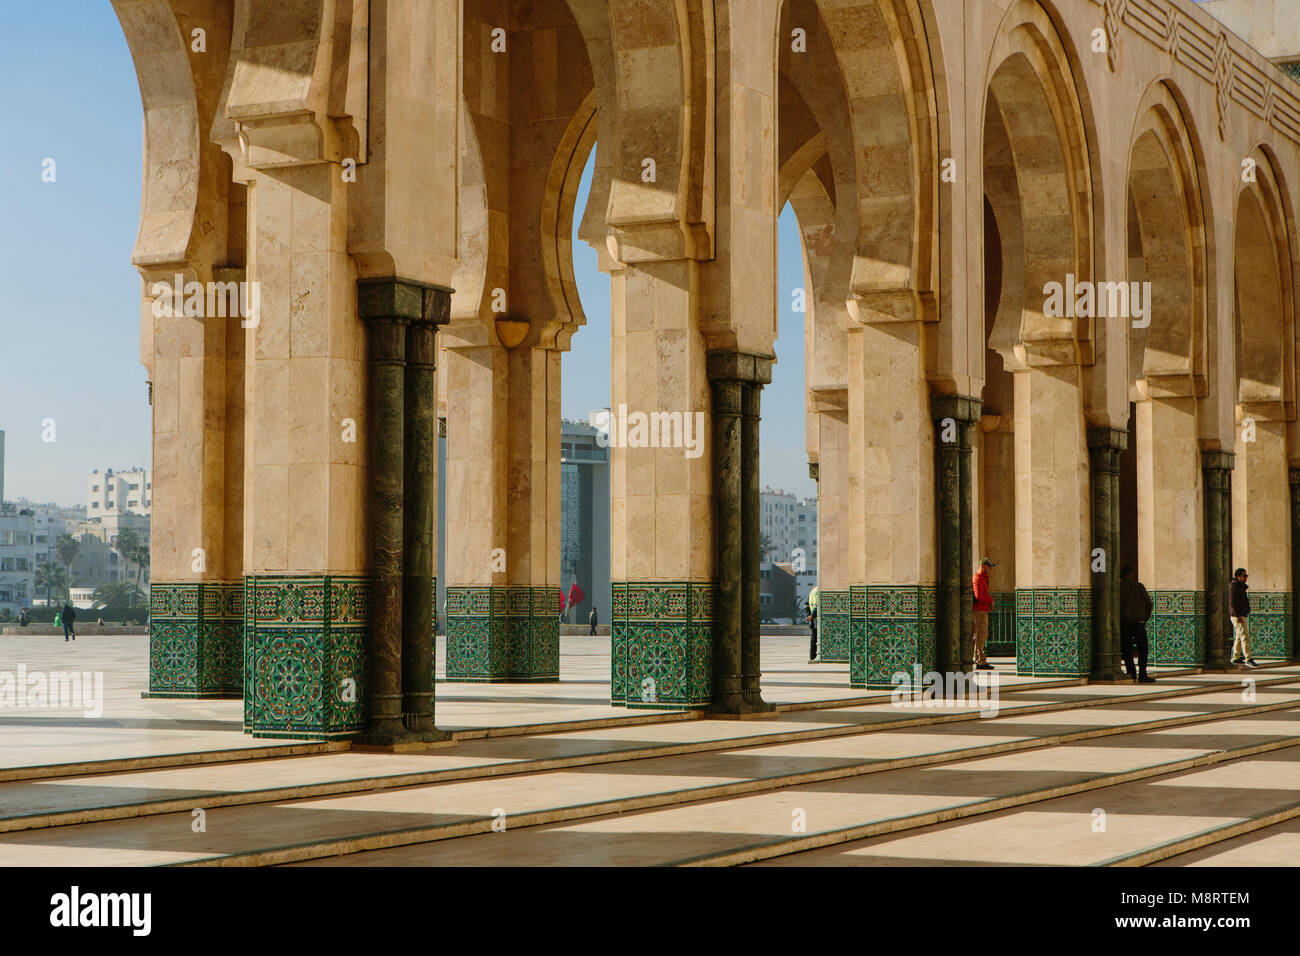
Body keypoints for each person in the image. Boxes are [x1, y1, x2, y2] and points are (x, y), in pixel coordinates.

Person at [1119, 565, 1155, 683]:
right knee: (1143, 648)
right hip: (1139, 623)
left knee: (1127, 648)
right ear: (1131, 575)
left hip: (1125, 623)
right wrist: (1144, 619)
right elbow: (1149, 605)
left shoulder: (1119, 588)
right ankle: (1143, 674)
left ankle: (1131, 673)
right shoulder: (1139, 587)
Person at [1229, 567, 1258, 668]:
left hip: (1242, 614)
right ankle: (1248, 658)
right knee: (1245, 636)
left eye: (1246, 576)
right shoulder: (1234, 586)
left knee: (1239, 636)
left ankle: (1235, 657)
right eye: (1244, 576)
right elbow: (1232, 602)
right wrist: (1236, 615)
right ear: (1238, 576)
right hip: (1238, 616)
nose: (1246, 578)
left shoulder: (1240, 586)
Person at [972, 558, 995, 670]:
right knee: (979, 634)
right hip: (979, 611)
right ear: (983, 566)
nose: (990, 569)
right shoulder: (978, 578)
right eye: (989, 566)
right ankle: (979, 660)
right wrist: (990, 600)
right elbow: (978, 596)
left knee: (982, 635)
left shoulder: (983, 578)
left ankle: (979, 658)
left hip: (982, 610)